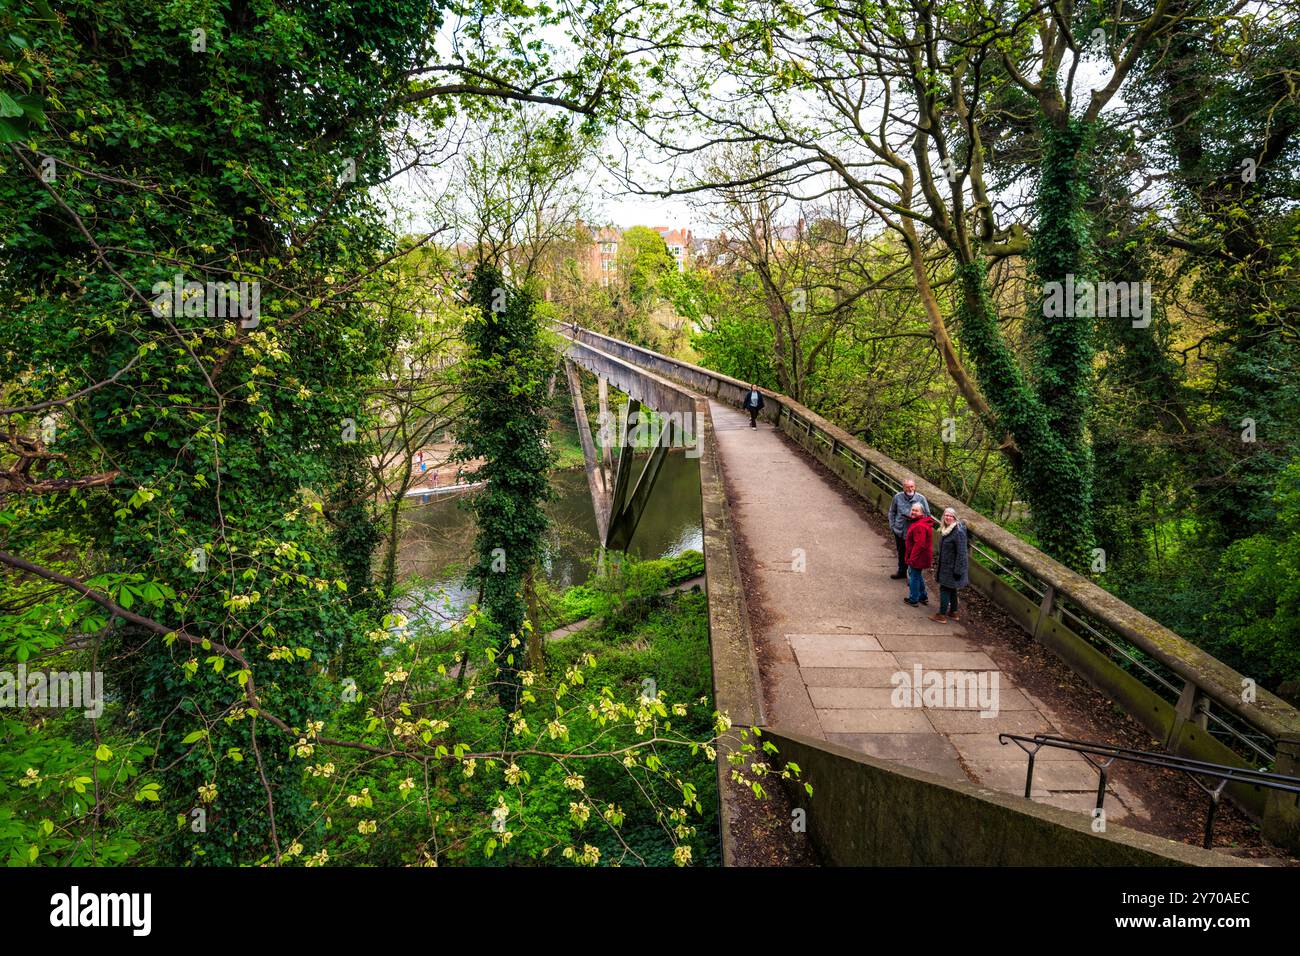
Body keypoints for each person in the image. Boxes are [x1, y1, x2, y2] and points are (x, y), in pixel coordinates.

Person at [931, 507, 969, 623]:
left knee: (944, 589)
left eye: (950, 516)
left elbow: (962, 553)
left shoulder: (958, 532)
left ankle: (941, 615)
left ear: (954, 518)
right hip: (946, 567)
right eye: (946, 515)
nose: (948, 517)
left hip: (952, 569)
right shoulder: (946, 530)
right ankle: (954, 612)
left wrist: (958, 571)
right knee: (952, 589)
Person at [888, 479, 931, 579]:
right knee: (901, 551)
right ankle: (901, 571)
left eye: (911, 486)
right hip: (899, 530)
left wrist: (915, 519)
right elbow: (892, 512)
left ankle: (911, 576)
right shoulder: (897, 497)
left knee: (913, 554)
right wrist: (892, 526)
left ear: (915, 487)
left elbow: (927, 515)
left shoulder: (921, 499)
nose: (910, 489)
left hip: (915, 532)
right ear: (903, 487)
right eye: (907, 487)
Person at [903, 502, 932, 606]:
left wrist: (912, 559)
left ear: (922, 513)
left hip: (918, 557)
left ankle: (913, 599)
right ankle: (923, 596)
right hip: (919, 556)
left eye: (916, 510)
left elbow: (919, 544)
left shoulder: (919, 525)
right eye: (913, 510)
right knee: (917, 575)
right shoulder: (918, 522)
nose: (913, 512)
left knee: (914, 576)